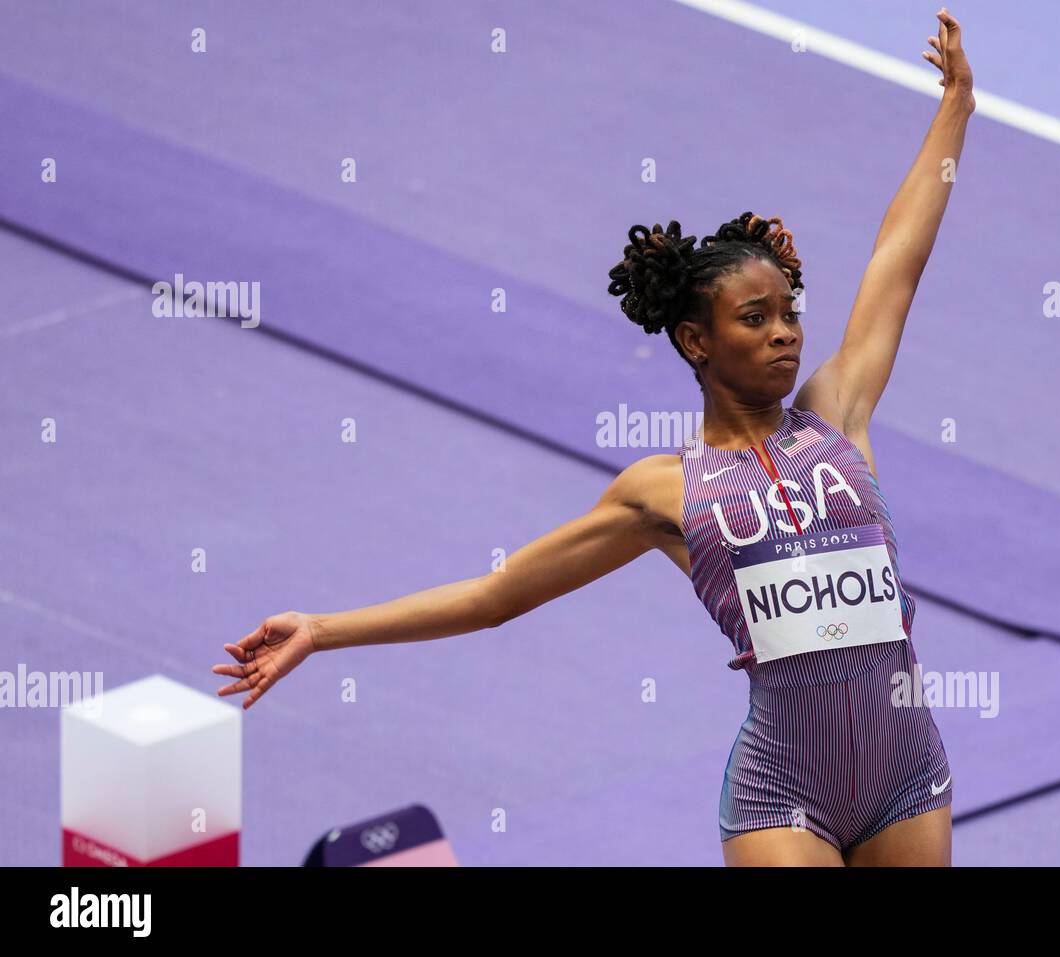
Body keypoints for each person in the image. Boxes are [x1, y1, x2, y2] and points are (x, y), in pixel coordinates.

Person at [214, 8, 975, 867]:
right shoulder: (662, 492)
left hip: (908, 772)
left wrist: (956, 108)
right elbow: (495, 596)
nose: (785, 334)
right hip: (784, 792)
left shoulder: (837, 414)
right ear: (696, 340)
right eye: (755, 318)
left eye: (789, 314)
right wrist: (322, 627)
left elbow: (897, 261)